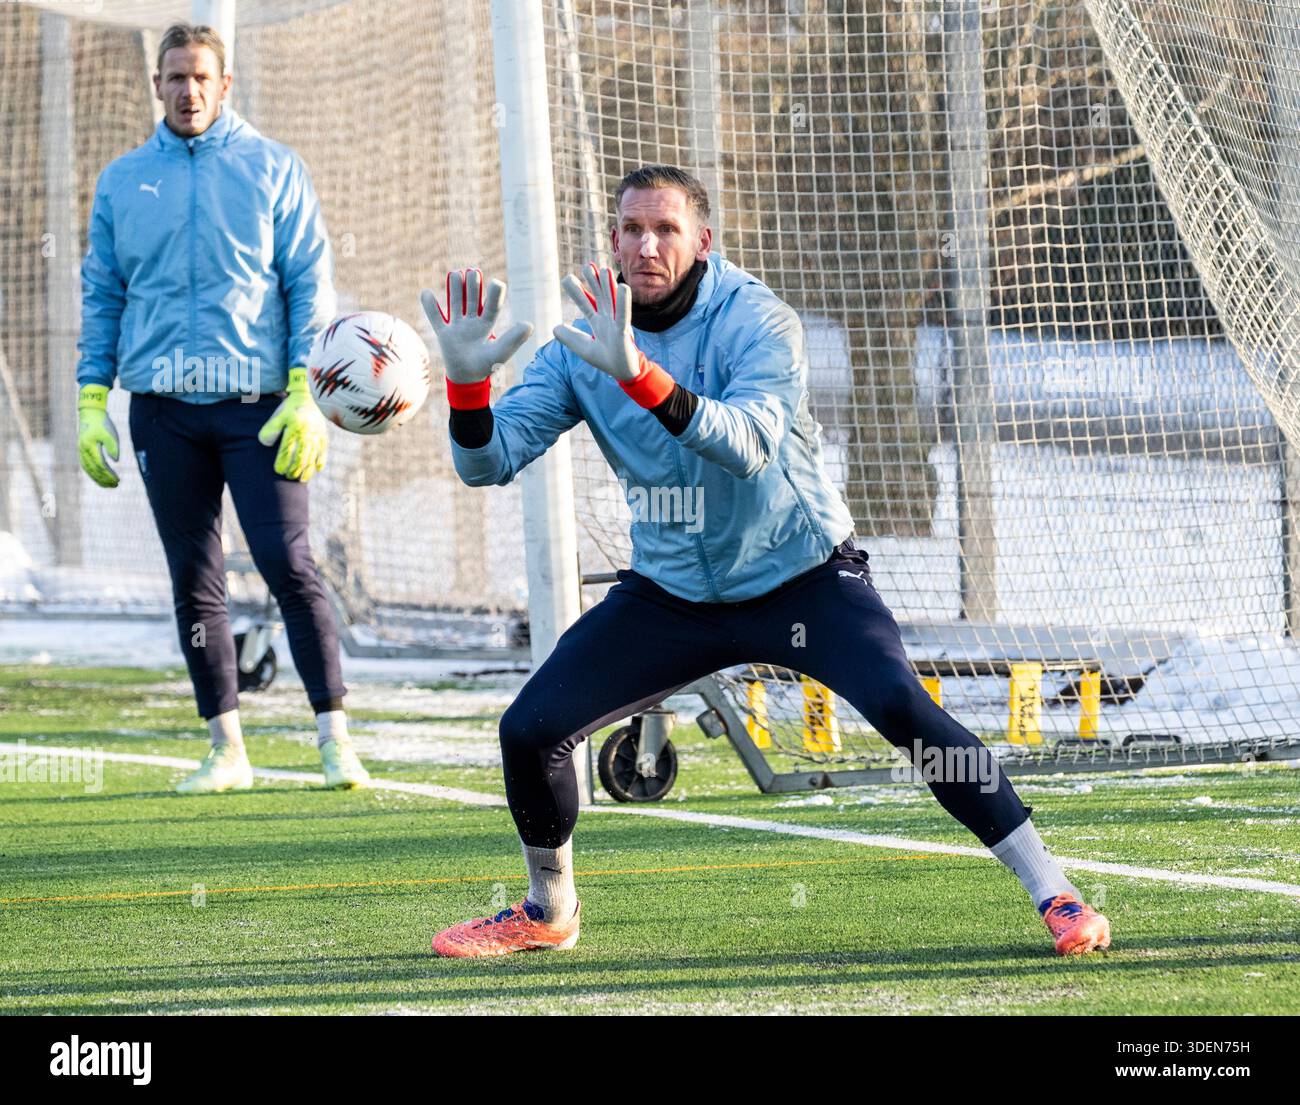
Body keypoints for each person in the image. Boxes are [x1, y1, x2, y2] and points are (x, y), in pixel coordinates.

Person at [422, 164, 1110, 957]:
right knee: (528, 729)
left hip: (802, 579)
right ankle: (548, 911)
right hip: (671, 595)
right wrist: (469, 388)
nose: (647, 245)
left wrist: (639, 373)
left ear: (702, 241)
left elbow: (747, 446)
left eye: (666, 229)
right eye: (631, 229)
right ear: (610, 239)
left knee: (904, 709)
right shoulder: (584, 341)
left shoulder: (759, 319)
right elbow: (488, 463)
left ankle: (1055, 892)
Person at [75, 22, 369, 793]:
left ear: (225, 83)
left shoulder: (272, 167)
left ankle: (334, 736)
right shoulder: (123, 180)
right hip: (164, 413)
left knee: (287, 563)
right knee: (193, 577)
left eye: (202, 77)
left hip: (260, 408)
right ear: (158, 85)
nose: (188, 90)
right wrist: (92, 397)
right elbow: (103, 292)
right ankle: (226, 748)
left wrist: (306, 388)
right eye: (174, 77)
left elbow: (310, 281)